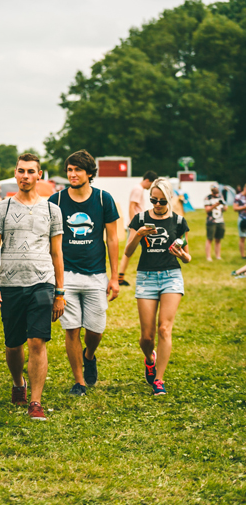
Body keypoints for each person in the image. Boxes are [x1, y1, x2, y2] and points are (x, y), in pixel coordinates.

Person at [0, 153, 64, 421]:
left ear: (39, 175)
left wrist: (60, 292)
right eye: (21, 171)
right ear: (15, 173)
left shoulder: (52, 210)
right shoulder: (2, 208)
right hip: (11, 284)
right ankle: (18, 382)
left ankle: (35, 401)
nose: (25, 176)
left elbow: (57, 253)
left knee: (37, 341)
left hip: (42, 282)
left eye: (31, 171)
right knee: (13, 344)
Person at [49, 150, 120, 396]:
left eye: (78, 169)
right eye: (69, 170)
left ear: (89, 173)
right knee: (72, 329)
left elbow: (112, 239)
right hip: (66, 275)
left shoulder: (103, 199)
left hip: (96, 274)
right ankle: (79, 382)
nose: (73, 174)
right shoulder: (56, 201)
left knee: (95, 330)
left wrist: (115, 277)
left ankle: (89, 356)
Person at [124, 177, 191, 396]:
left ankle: (159, 380)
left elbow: (188, 257)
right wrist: (139, 235)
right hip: (146, 277)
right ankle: (149, 358)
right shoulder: (140, 219)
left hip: (171, 276)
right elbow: (128, 251)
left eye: (162, 201)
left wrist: (182, 255)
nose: (158, 204)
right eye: (154, 200)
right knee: (147, 337)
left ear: (169, 198)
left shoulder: (178, 221)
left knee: (164, 328)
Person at [118, 171, 158, 286]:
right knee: (130, 251)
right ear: (147, 180)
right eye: (151, 184)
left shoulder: (138, 189)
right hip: (137, 226)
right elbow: (132, 206)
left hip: (139, 225)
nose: (151, 187)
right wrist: (133, 225)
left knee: (147, 249)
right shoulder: (138, 189)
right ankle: (120, 278)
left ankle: (121, 277)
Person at [204, 184, 227, 261]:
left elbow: (225, 209)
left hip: (220, 220)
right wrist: (215, 205)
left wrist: (223, 203)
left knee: (218, 239)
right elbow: (207, 210)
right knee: (210, 239)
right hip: (211, 221)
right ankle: (208, 257)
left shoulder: (221, 196)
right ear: (212, 190)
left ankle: (218, 256)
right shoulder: (208, 198)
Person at [234, 184, 246, 259]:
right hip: (242, 219)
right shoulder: (238, 196)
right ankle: (243, 255)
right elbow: (235, 208)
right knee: (242, 237)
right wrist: (244, 207)